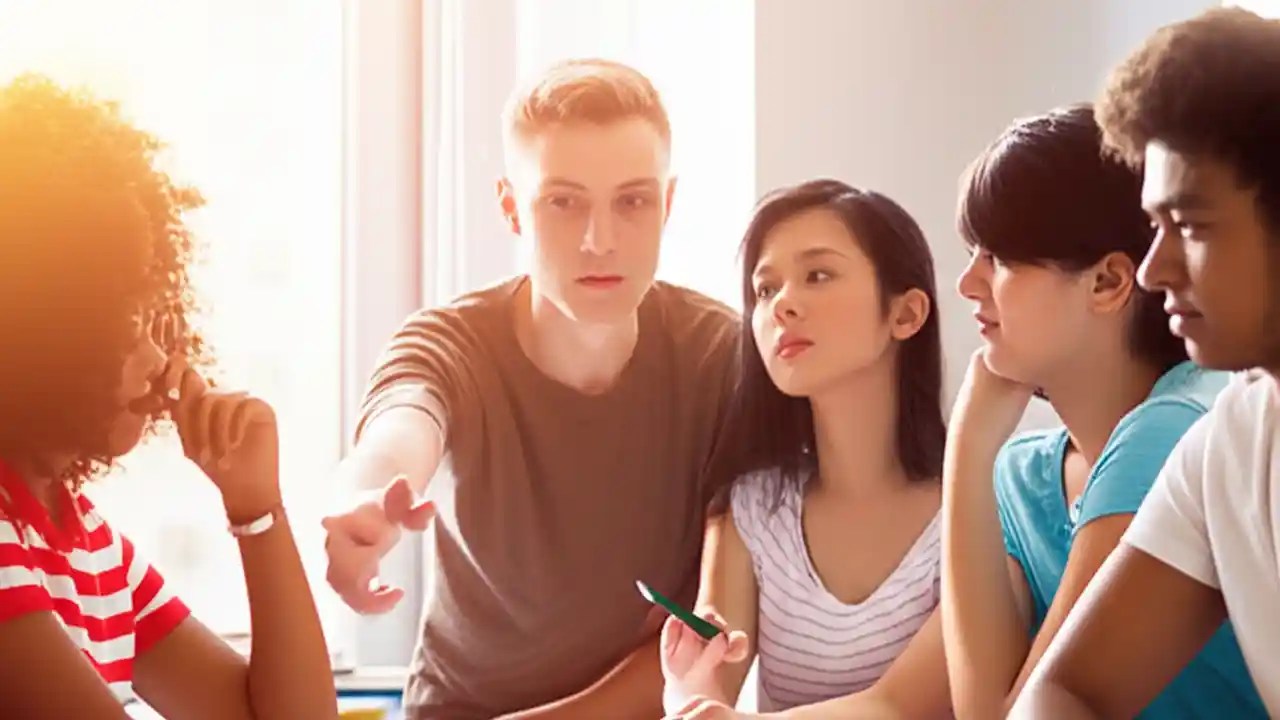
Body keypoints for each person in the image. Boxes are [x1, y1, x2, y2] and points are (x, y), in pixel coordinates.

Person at [322, 58, 739, 719]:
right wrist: (364, 499)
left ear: (668, 205)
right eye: (563, 202)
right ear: (512, 209)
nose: (600, 241)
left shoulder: (724, 356)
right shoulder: (450, 342)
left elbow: (722, 627)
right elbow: (400, 428)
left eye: (632, 201)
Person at [0, 75, 337, 719]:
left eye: (156, 321)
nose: (159, 361)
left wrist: (256, 510)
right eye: (127, 327)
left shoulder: (94, 548)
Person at [942, 103, 1265, 718]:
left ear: (1108, 282)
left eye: (1001, 259)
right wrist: (971, 448)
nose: (967, 284)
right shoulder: (1021, 474)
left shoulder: (1177, 422)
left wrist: (968, 444)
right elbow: (983, 708)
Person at [1010, 9, 1280, 718]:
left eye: (1188, 227)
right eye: (1153, 227)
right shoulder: (1233, 439)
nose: (1154, 269)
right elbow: (1067, 689)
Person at [659, 179, 953, 719]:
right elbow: (703, 691)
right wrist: (686, 688)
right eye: (765, 290)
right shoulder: (751, 507)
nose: (782, 304)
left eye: (818, 275)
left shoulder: (977, 508)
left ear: (906, 314)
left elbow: (899, 707)